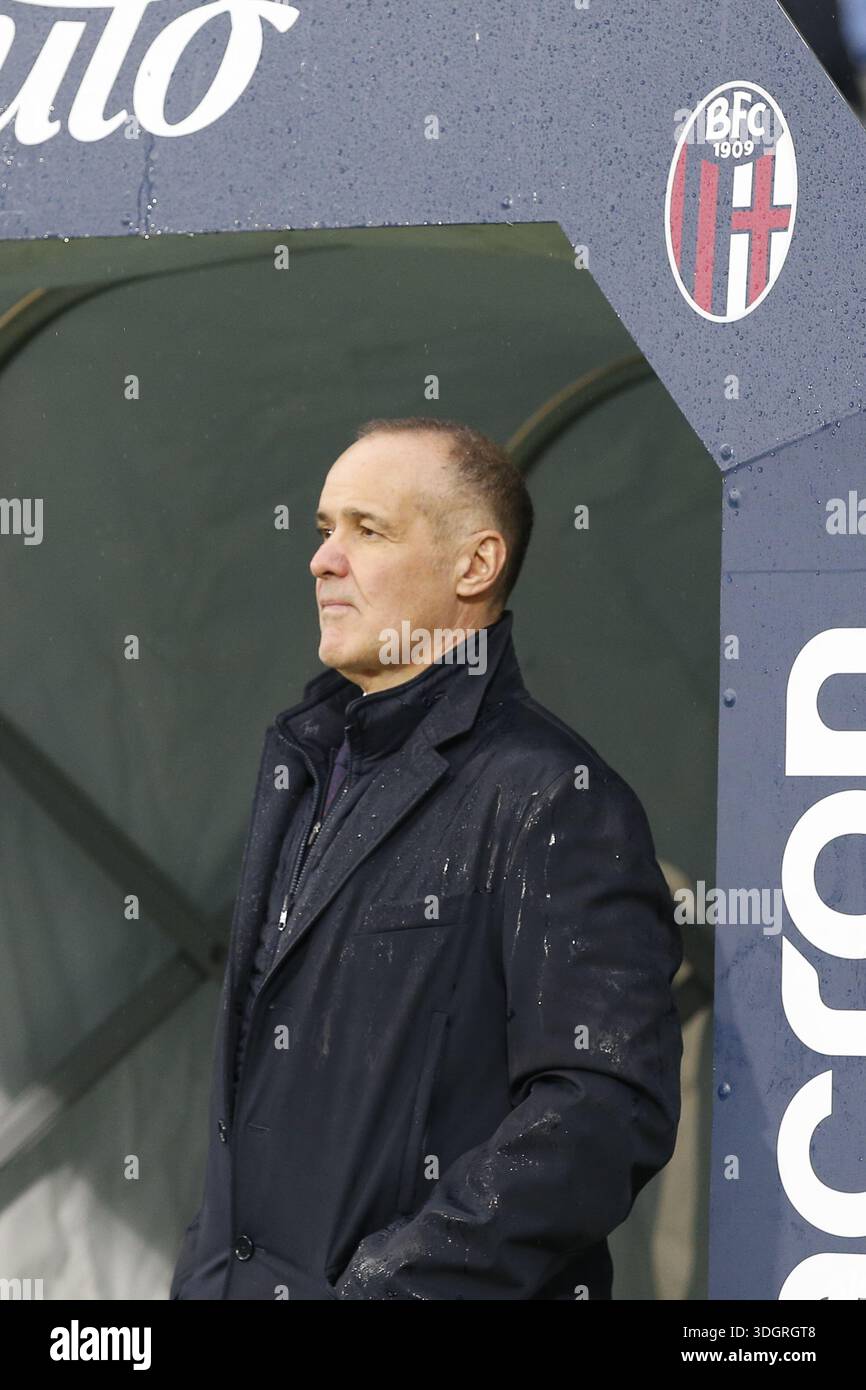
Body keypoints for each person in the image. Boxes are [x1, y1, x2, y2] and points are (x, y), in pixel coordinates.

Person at [169, 416, 683, 1301]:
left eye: (368, 530)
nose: (324, 560)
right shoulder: (305, 767)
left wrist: (388, 1287)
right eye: (325, 529)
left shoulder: (553, 796)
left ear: (475, 565)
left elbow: (600, 1114)